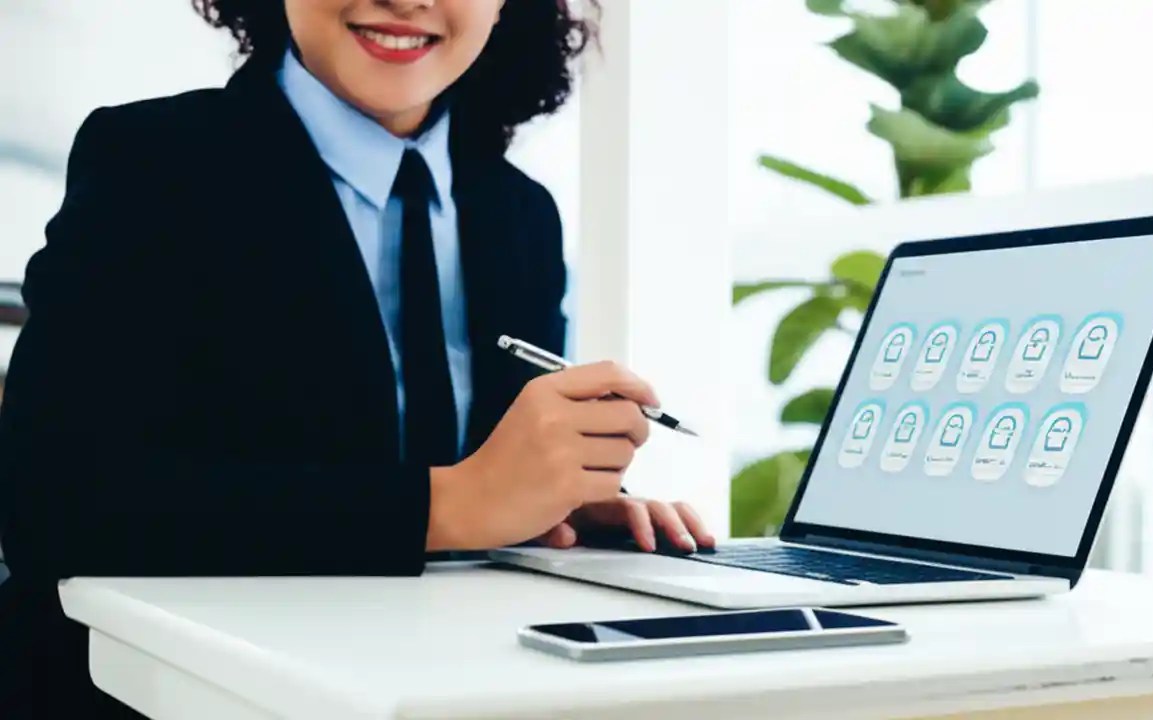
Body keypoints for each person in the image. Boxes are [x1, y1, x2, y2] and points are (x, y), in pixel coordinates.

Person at [0, 1, 716, 716]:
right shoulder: (152, 161)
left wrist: (552, 503)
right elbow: (53, 504)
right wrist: (453, 506)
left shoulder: (518, 210)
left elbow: (481, 466)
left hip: (424, 680)